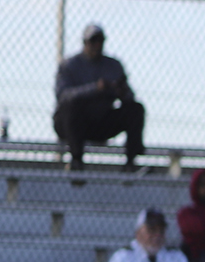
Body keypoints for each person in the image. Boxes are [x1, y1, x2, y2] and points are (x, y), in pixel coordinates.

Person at [53, 23, 144, 172]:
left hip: (101, 121)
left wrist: (121, 92)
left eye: (100, 41)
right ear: (85, 43)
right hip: (74, 125)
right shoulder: (69, 65)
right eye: (93, 41)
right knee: (72, 106)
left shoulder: (113, 65)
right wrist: (95, 88)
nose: (97, 45)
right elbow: (63, 96)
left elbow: (130, 97)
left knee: (136, 109)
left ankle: (131, 162)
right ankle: (76, 160)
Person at [103, 208, 200, 262]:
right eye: (152, 230)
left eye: (161, 230)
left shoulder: (176, 257)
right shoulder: (123, 258)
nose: (157, 235)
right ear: (138, 233)